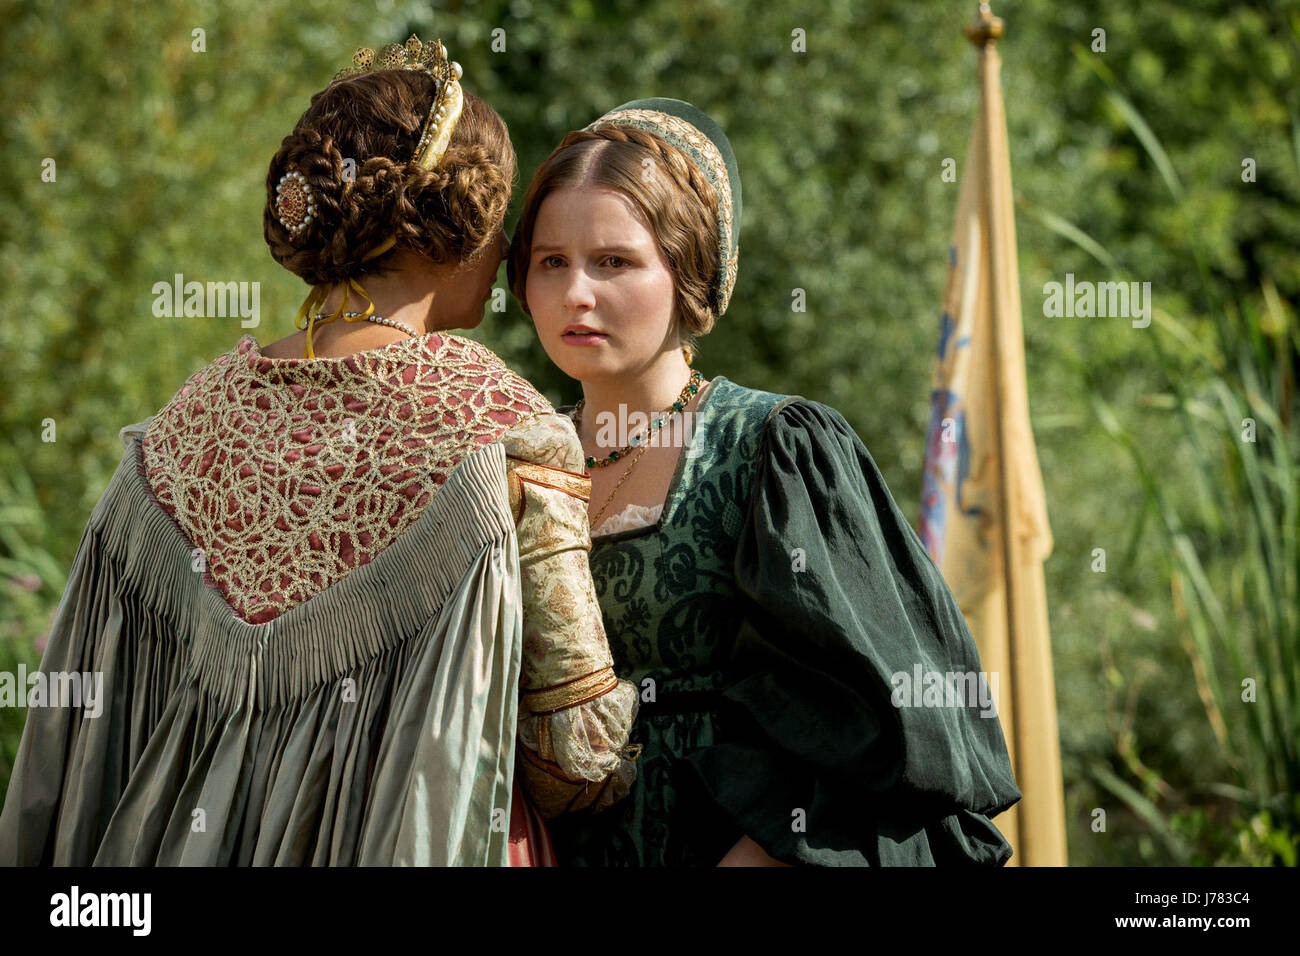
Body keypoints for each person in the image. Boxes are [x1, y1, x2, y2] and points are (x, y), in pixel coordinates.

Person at [0, 35, 641, 866]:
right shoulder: (501, 425)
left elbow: (78, 747)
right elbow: (577, 754)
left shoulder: (182, 426)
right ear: (458, 222)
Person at [506, 97, 1022, 866]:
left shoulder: (774, 448)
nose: (576, 292)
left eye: (614, 261)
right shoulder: (512, 459)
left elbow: (864, 731)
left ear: (690, 272)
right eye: (553, 262)